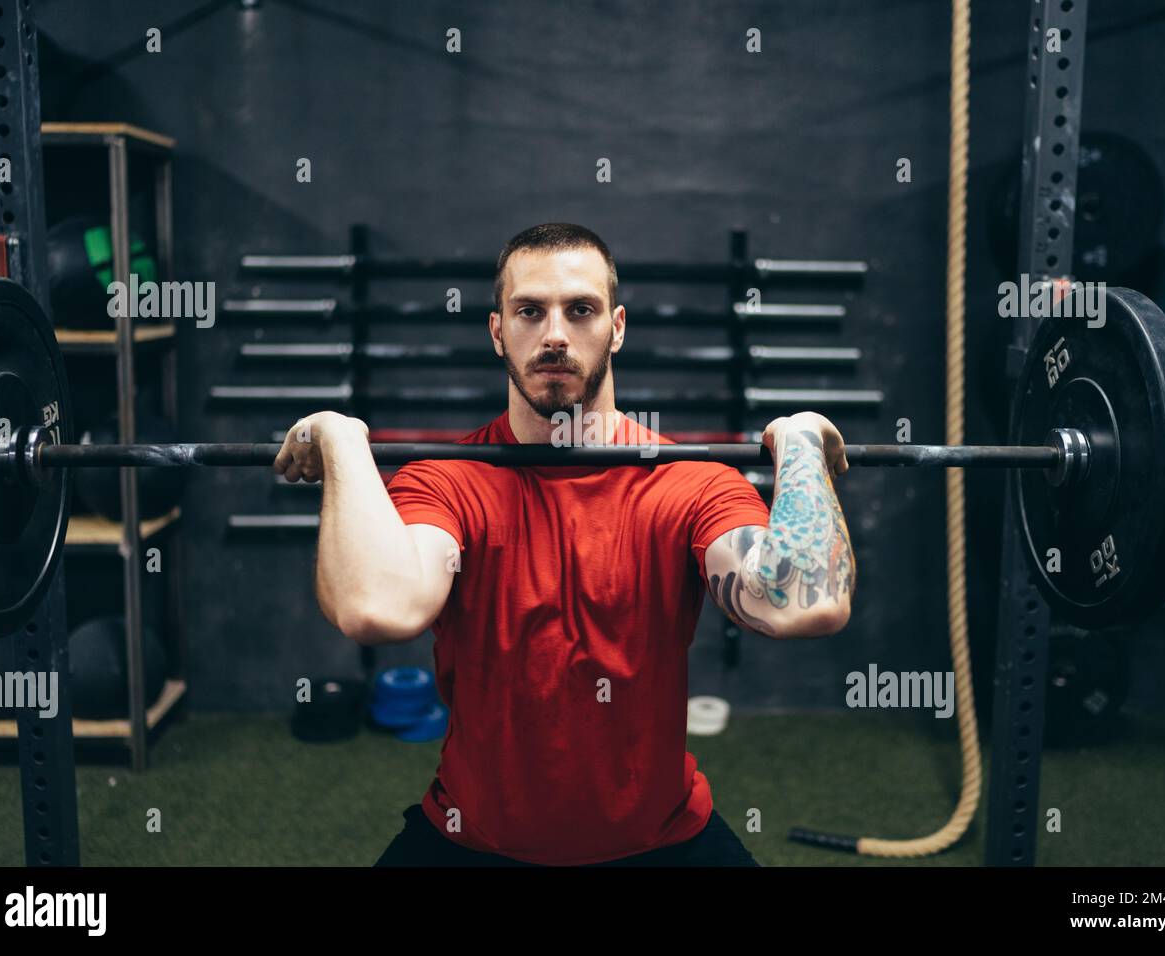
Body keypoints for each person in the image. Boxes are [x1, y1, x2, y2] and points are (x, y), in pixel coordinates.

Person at [273, 223, 856, 866]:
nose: (554, 334)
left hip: (661, 840)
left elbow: (806, 604)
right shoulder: (447, 481)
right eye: (529, 311)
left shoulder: (690, 484)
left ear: (617, 328)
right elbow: (375, 609)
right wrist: (342, 437)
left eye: (580, 310)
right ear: (499, 332)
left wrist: (799, 440)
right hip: (474, 840)